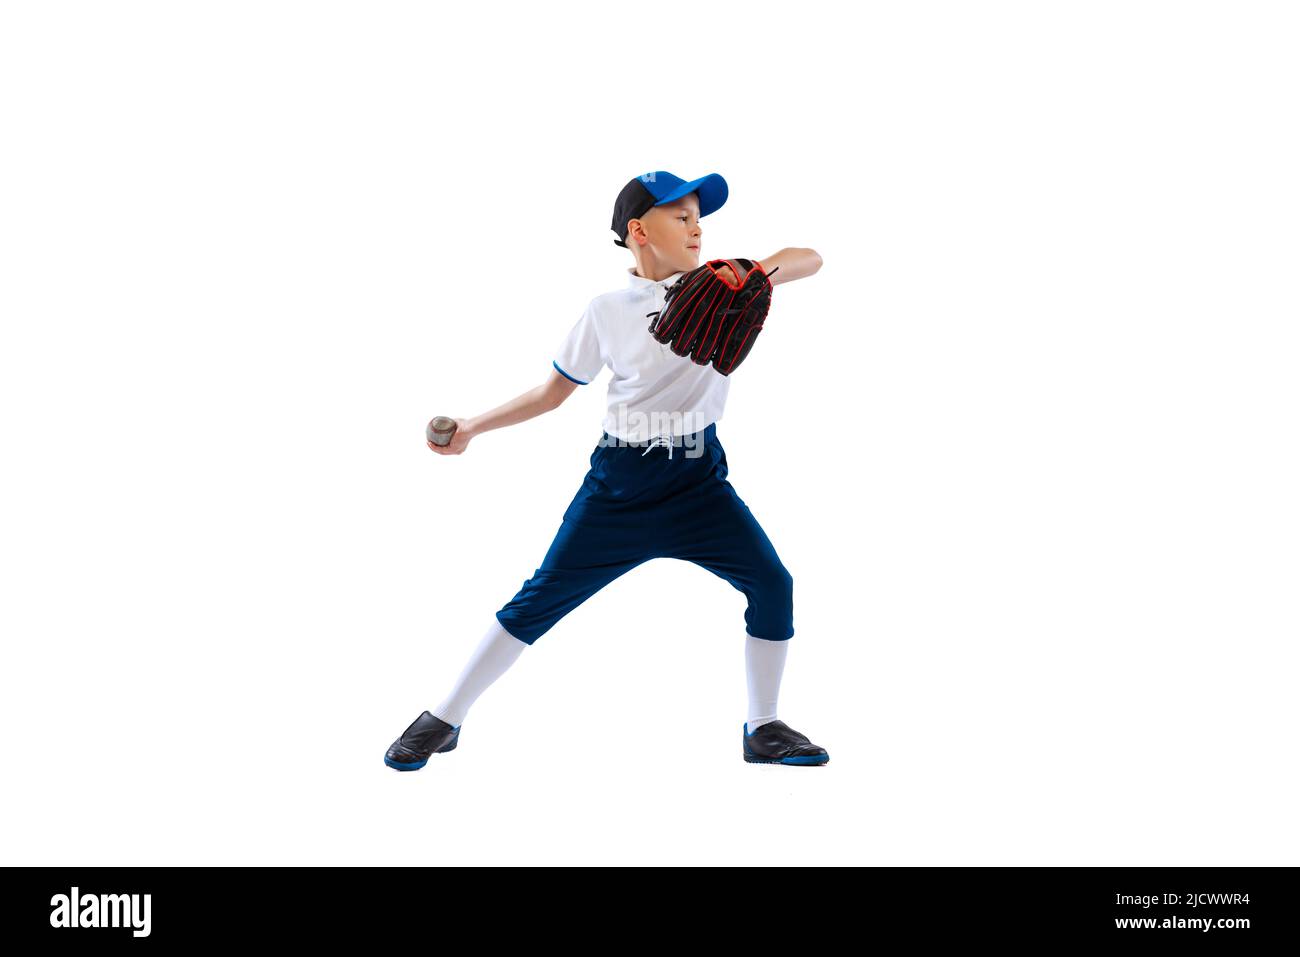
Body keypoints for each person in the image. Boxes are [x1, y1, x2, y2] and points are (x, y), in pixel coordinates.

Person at [384, 171, 827, 769]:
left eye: (701, 219)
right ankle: (445, 716)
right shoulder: (607, 311)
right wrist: (469, 428)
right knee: (537, 600)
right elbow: (549, 395)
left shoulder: (721, 287)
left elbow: (811, 258)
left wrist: (754, 270)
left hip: (699, 483)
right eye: (682, 216)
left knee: (772, 584)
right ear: (640, 230)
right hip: (619, 486)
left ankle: (763, 727)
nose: (697, 229)